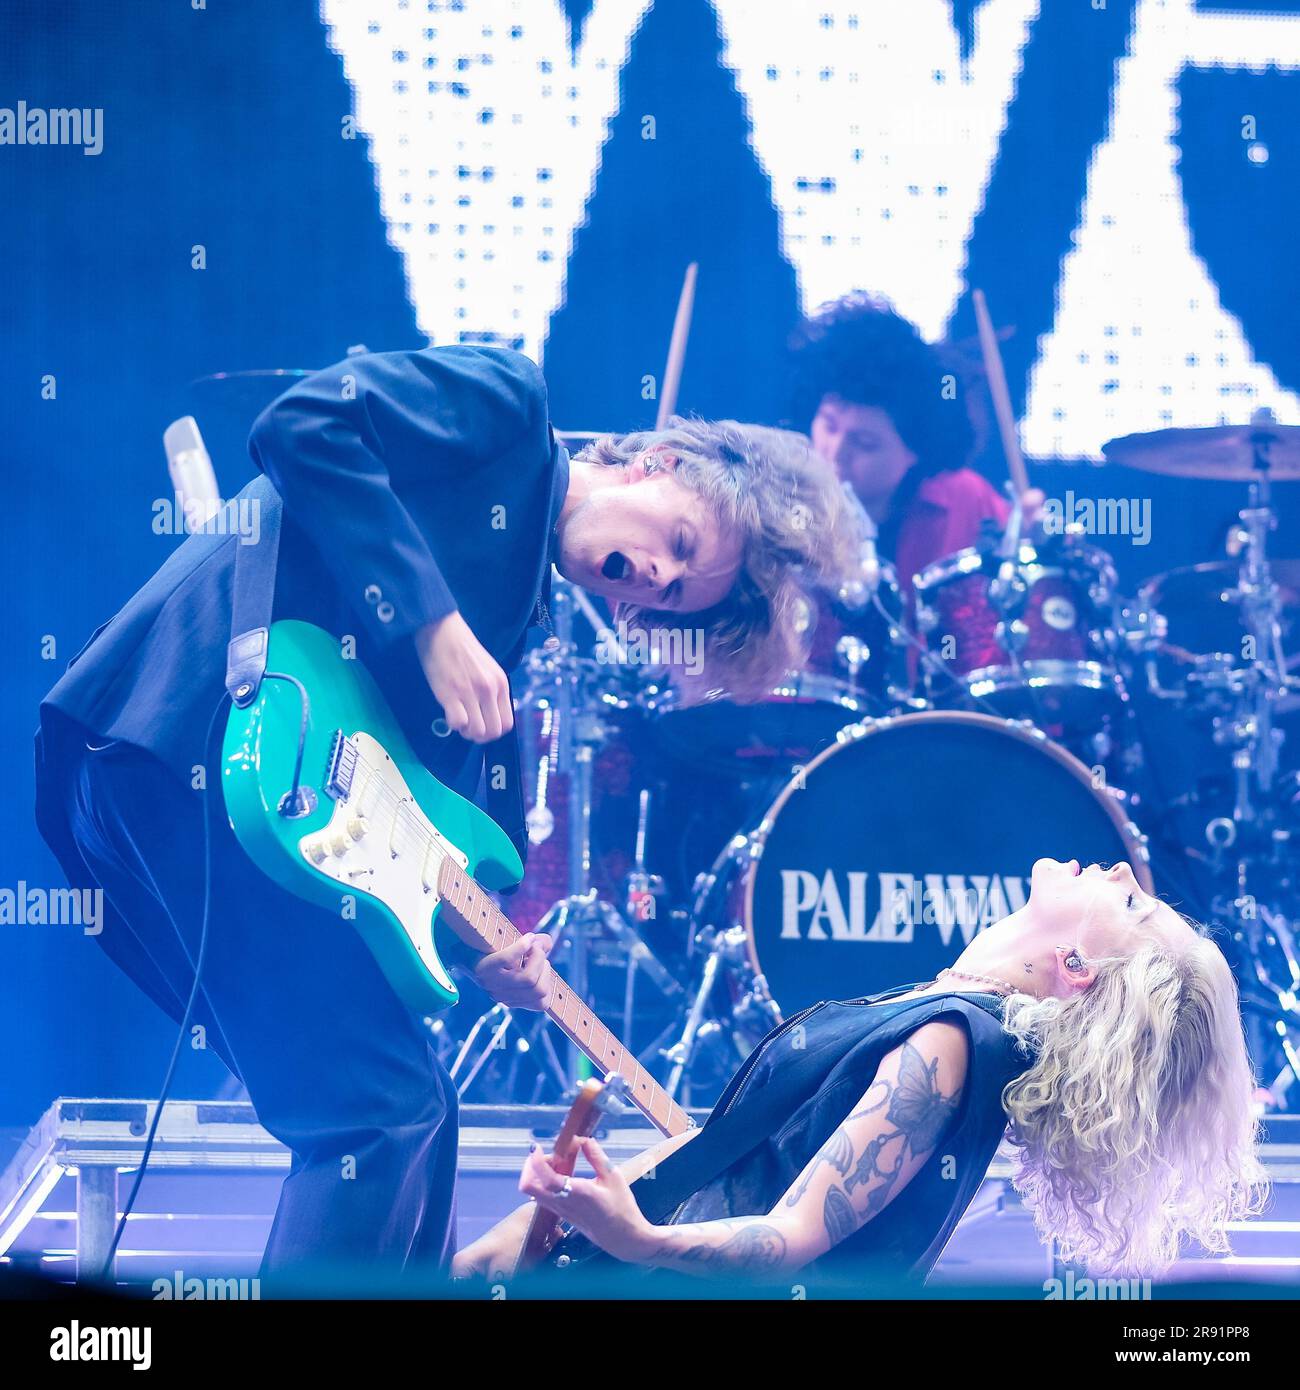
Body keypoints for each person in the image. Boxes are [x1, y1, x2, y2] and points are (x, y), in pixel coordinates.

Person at [33, 344, 854, 1290]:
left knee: (415, 1111)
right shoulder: (508, 410)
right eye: (678, 543)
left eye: (670, 591)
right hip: (174, 736)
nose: (650, 576)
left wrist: (477, 951)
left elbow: (409, 817)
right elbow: (303, 423)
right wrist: (432, 625)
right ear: (658, 465)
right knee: (374, 1115)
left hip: (243, 806)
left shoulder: (520, 614)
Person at [456, 858, 1268, 1288]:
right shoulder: (954, 1015)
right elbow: (730, 1155)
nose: (1125, 877)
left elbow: (790, 1240)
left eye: (1133, 910)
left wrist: (634, 1237)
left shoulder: (949, 1048)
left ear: (1076, 966)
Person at [789, 291, 1041, 602]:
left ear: (916, 451)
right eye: (828, 426)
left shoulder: (965, 499)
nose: (836, 452)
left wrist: (1034, 549)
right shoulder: (781, 501)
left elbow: (1029, 574)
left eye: (865, 444)